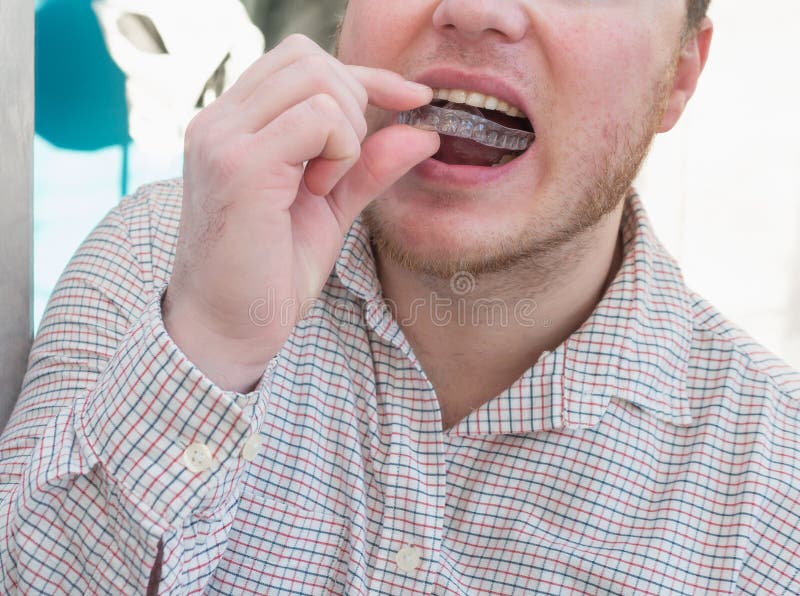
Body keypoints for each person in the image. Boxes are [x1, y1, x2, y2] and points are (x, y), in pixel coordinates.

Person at [2, 0, 798, 593]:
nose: (475, 9)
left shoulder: (776, 493)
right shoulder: (164, 257)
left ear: (678, 78)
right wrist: (211, 341)